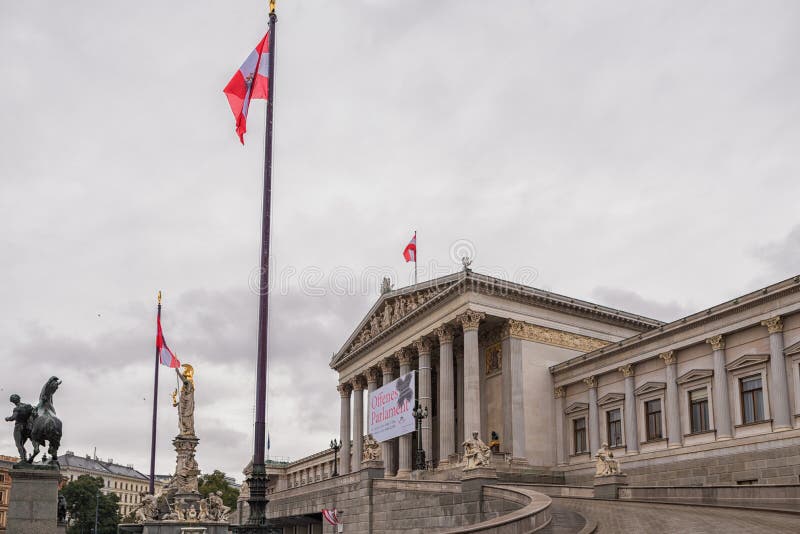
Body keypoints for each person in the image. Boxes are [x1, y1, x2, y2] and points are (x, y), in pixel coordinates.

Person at [5, 394, 34, 461]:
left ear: (13, 401)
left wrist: (7, 418)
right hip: (27, 428)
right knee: (22, 444)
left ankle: (23, 459)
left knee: (19, 444)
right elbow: (33, 414)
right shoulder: (27, 406)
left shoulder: (17, 408)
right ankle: (24, 457)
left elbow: (13, 418)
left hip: (19, 427)